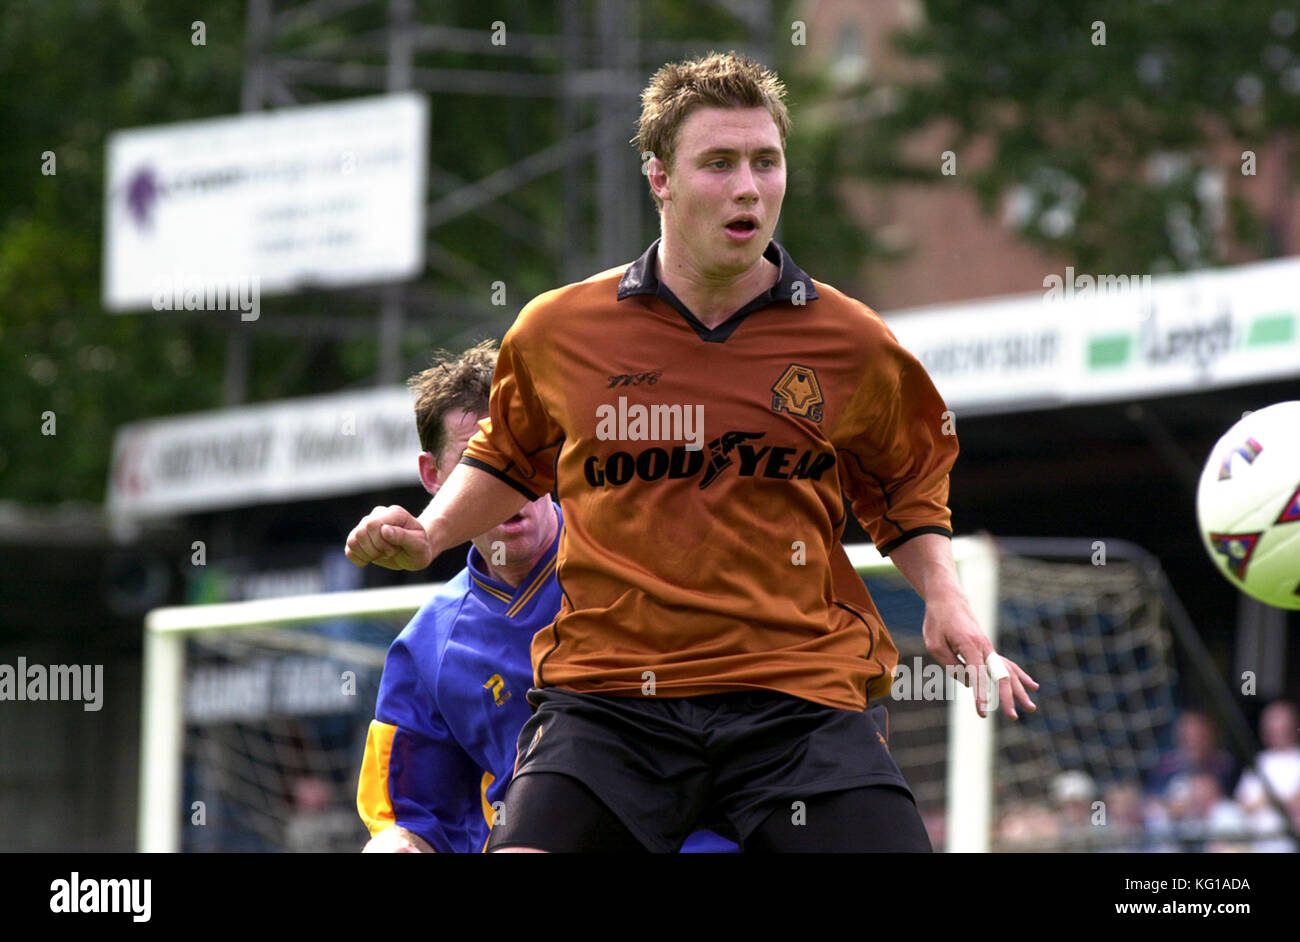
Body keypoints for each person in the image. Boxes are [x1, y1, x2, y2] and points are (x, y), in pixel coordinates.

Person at [347, 51, 1038, 853]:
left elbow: (907, 489)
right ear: (659, 179)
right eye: (719, 163)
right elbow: (505, 459)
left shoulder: (854, 343)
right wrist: (429, 534)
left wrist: (946, 600)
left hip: (794, 696)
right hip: (611, 704)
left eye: (765, 162)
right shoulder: (557, 330)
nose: (748, 186)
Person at [356, 341, 733, 852]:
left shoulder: (642, 562)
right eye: (477, 464)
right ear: (433, 476)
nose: (505, 483)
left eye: (521, 458)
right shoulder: (425, 647)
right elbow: (416, 819)